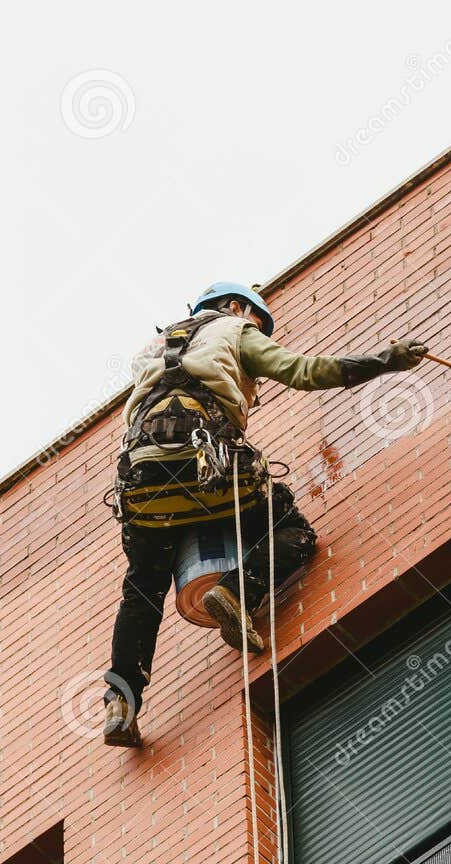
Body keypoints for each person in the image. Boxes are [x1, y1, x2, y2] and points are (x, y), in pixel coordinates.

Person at [103, 281, 427, 747]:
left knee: (143, 588)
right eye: (259, 320)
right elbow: (305, 372)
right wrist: (385, 360)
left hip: (143, 483)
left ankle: (120, 702)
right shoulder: (236, 329)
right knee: (292, 531)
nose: (260, 329)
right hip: (213, 469)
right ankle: (235, 592)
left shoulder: (151, 348)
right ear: (236, 308)